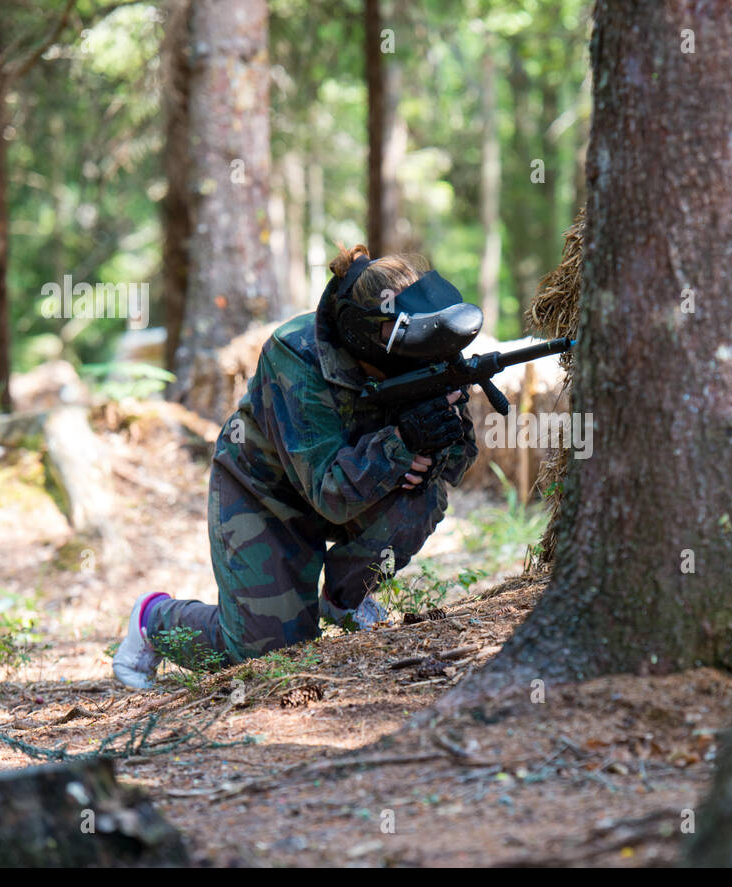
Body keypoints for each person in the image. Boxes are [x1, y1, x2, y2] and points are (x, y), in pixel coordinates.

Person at [112, 243, 479, 689]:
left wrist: (434, 443)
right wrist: (401, 441)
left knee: (424, 496)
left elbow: (458, 466)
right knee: (266, 655)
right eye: (400, 339)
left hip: (352, 482)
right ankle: (154, 619)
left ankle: (344, 603)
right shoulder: (297, 354)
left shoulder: (423, 350)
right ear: (364, 333)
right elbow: (328, 493)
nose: (416, 351)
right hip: (266, 495)